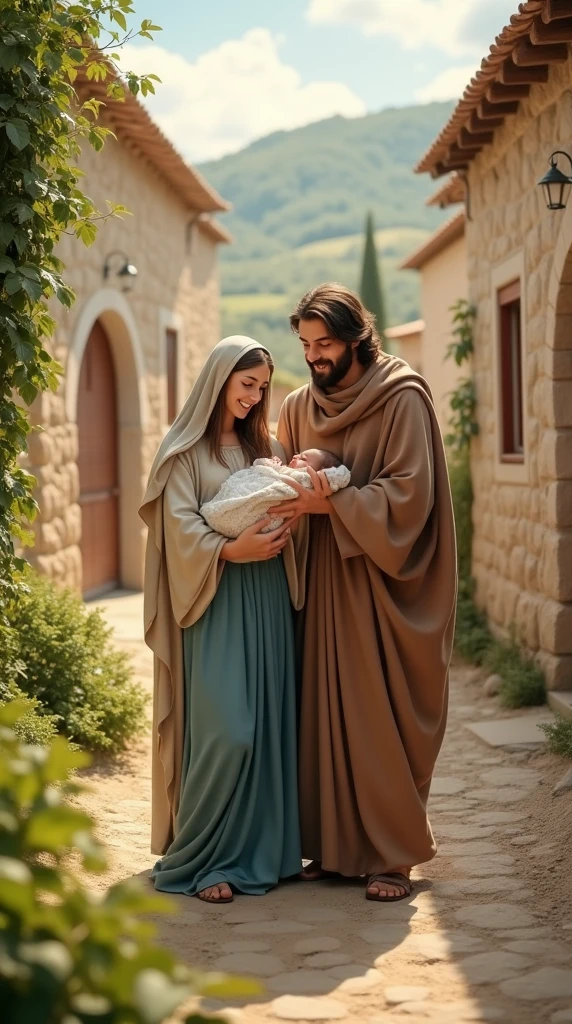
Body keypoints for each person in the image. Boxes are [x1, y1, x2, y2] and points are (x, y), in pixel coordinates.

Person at [272, 283, 457, 903]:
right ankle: (333, 850)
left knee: (381, 718)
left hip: (382, 584)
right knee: (321, 714)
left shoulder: (401, 397)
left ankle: (391, 857)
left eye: (324, 343)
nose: (314, 356)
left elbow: (410, 495)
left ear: (356, 338)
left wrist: (332, 501)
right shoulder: (297, 405)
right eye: (305, 345)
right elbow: (278, 477)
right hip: (322, 582)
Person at [139, 336, 306, 904]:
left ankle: (262, 852)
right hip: (212, 601)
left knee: (267, 727)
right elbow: (178, 528)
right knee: (227, 731)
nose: (255, 396)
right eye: (246, 384)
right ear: (219, 380)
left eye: (262, 387)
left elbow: (286, 503)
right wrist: (232, 550)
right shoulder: (184, 452)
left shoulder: (266, 446)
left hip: (267, 598)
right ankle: (203, 857)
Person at [201, 448, 350, 538]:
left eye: (303, 459)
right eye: (297, 454)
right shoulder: (283, 469)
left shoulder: (305, 479)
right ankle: (222, 508)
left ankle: (224, 513)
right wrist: (271, 465)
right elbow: (260, 469)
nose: (296, 456)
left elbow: (339, 476)